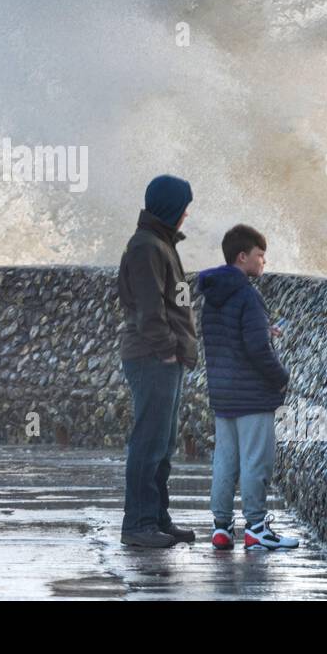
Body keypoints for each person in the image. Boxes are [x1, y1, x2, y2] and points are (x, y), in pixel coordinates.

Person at [195, 224, 299, 550]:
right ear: (243, 257)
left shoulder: (212, 295)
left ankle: (221, 528)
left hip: (224, 393)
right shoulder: (248, 295)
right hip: (252, 394)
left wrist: (262, 328)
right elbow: (257, 350)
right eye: (259, 255)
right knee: (257, 461)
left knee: (225, 462)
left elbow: (226, 338)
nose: (263, 261)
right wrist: (282, 378)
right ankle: (256, 529)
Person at [116, 174, 199, 547]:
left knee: (163, 444)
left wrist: (180, 350)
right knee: (149, 442)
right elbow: (151, 309)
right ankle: (137, 524)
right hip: (152, 357)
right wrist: (167, 349)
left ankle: (156, 517)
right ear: (170, 207)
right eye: (183, 208)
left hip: (167, 357)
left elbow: (176, 302)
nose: (186, 215)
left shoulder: (162, 245)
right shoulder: (146, 247)